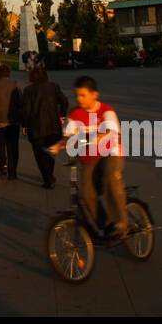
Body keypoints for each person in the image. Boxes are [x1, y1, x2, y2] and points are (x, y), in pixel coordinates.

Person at [49, 76, 126, 237]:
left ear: (94, 95)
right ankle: (104, 225)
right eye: (77, 95)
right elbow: (69, 134)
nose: (79, 99)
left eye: (83, 95)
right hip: (89, 157)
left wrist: (99, 136)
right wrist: (59, 145)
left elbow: (111, 129)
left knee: (109, 179)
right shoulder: (75, 113)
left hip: (110, 153)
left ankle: (121, 222)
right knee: (87, 194)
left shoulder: (106, 111)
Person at [22, 66, 68, 188]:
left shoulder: (28, 90)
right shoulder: (54, 86)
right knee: (50, 152)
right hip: (53, 126)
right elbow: (64, 101)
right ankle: (50, 175)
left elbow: (27, 110)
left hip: (36, 127)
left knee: (39, 154)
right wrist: (62, 115)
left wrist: (24, 125)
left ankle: (47, 178)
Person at [0, 64, 21, 179]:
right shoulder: (15, 85)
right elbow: (19, 102)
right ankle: (13, 172)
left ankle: (3, 165)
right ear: (9, 73)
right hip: (12, 121)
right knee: (12, 147)